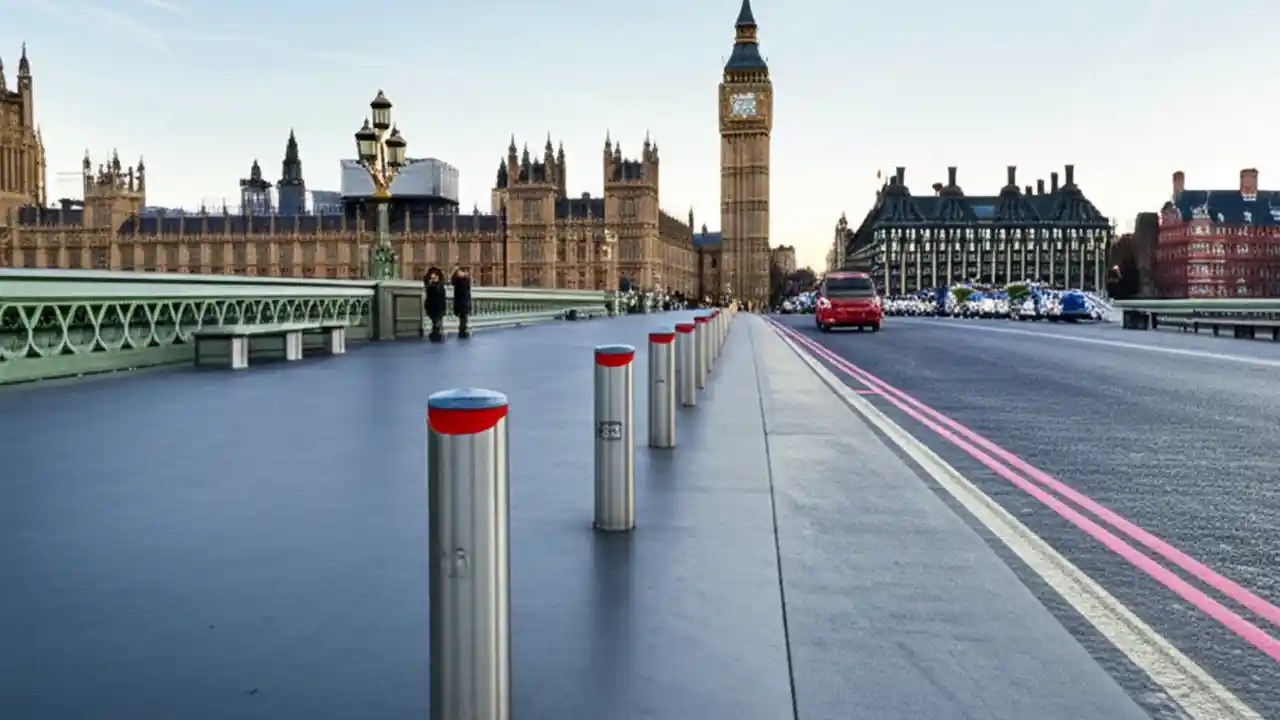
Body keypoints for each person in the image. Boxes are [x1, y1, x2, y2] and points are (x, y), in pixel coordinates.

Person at [423, 266, 446, 342]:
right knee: (436, 321)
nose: (434, 277)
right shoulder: (431, 285)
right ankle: (436, 334)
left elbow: (441, 296)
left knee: (436, 321)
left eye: (435, 275)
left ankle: (436, 334)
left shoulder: (440, 285)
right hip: (433, 306)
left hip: (437, 306)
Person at [451, 266, 473, 338]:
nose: (464, 273)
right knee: (463, 318)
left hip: (462, 302)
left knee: (463, 318)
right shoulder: (461, 280)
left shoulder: (461, 280)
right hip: (462, 302)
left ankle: (463, 331)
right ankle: (463, 332)